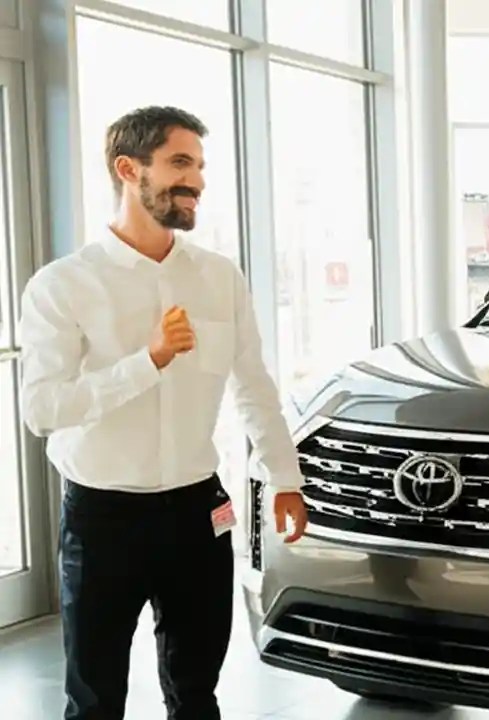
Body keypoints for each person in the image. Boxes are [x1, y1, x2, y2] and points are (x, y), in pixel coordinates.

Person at [18, 106, 309, 720]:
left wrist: (285, 478)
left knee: (197, 692)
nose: (197, 180)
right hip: (103, 518)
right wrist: (147, 360)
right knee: (95, 698)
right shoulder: (62, 285)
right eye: (180, 163)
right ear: (129, 169)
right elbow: (43, 408)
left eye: (199, 166)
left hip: (199, 511)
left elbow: (252, 382)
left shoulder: (218, 278)